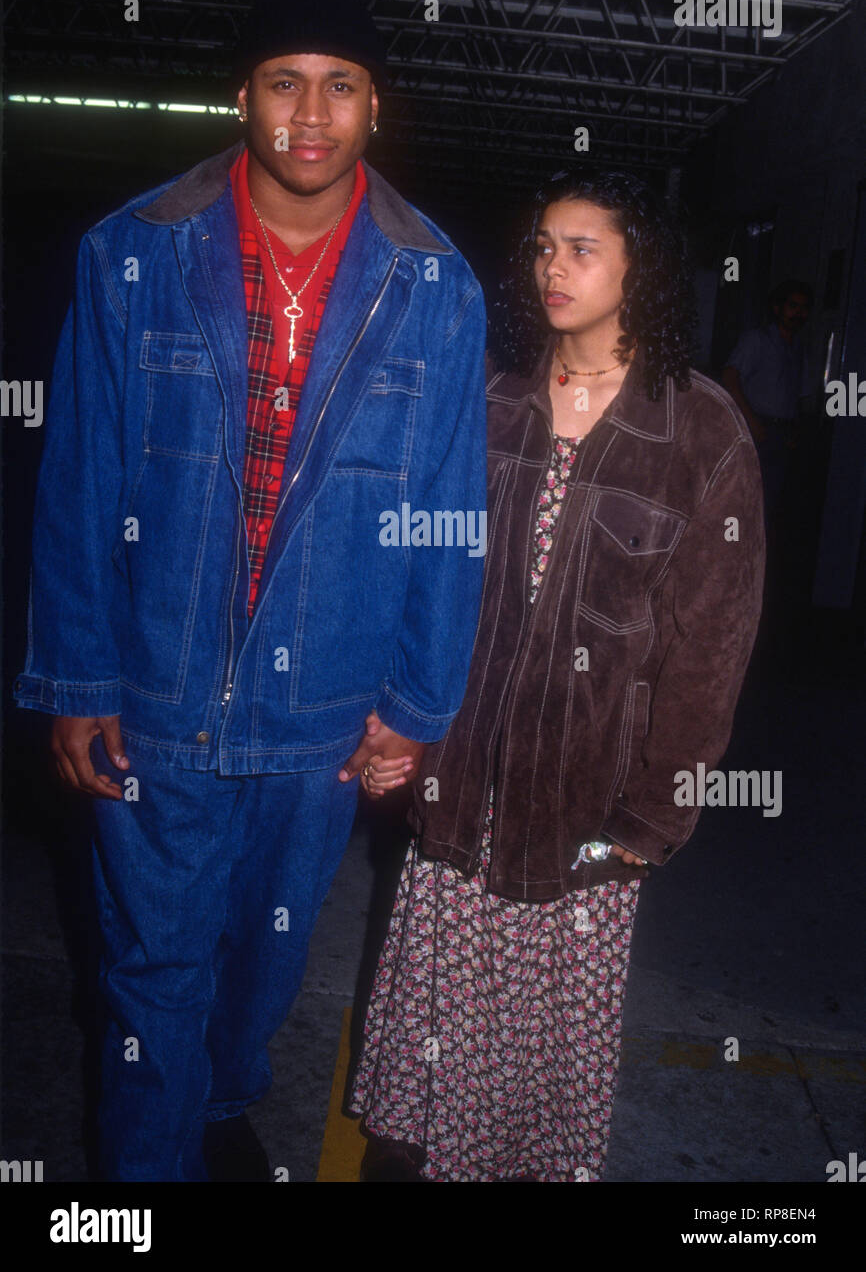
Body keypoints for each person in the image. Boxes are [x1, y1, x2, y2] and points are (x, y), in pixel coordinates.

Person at [13, 0, 488, 1182]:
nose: (311, 113)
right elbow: (78, 479)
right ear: (242, 97)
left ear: (375, 107)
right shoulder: (133, 254)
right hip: (158, 703)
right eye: (286, 82)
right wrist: (74, 674)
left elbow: (446, 511)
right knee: (151, 978)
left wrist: (419, 707)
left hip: (325, 719)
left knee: (261, 972)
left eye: (340, 86)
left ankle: (217, 1101)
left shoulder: (433, 286)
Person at [348, 167, 766, 1183]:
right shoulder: (484, 401)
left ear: (642, 268)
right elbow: (410, 574)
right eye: (542, 245)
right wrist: (387, 716)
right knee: (425, 1074)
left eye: (582, 247)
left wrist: (653, 817)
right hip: (458, 780)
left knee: (535, 1086)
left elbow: (708, 652)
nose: (552, 266)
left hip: (581, 801)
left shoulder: (700, 433)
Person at [722, 280, 812, 524]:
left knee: (769, 504)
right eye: (792, 306)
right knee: (745, 500)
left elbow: (799, 394)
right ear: (777, 308)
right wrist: (753, 423)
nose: (798, 313)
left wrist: (795, 429)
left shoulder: (797, 348)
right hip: (757, 431)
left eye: (803, 308)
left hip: (782, 436)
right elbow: (729, 378)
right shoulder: (757, 340)